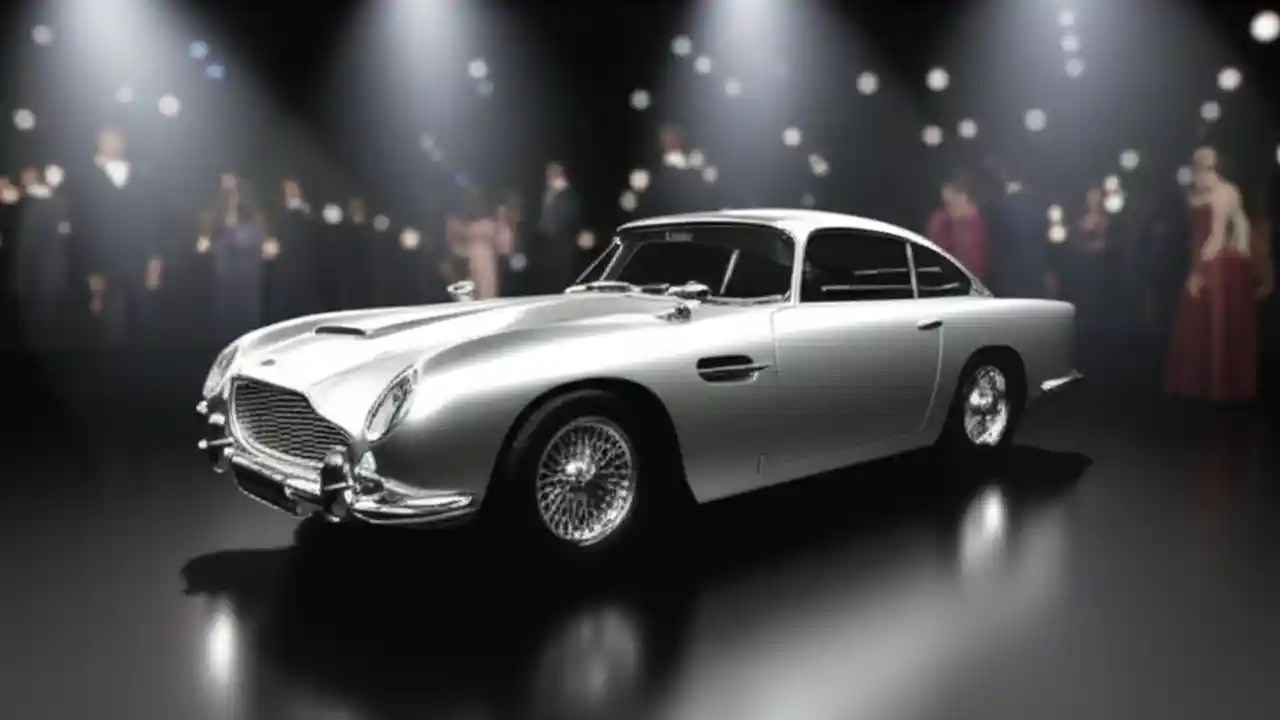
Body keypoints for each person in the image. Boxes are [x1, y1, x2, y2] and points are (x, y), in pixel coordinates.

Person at [1164, 147, 1256, 402]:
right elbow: (1234, 226)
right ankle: (1205, 384)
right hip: (1208, 260)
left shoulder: (1224, 192)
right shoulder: (1199, 193)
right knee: (1205, 321)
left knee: (1215, 321)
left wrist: (1202, 270)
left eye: (1202, 166)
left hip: (1215, 266)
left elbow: (1222, 232)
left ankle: (1217, 386)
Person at [68, 126, 162, 348]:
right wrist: (90, 268)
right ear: (98, 142)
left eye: (117, 139)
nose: (113, 143)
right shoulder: (83, 175)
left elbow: (152, 217)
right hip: (102, 258)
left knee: (143, 319)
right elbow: (81, 224)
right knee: (107, 324)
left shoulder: (142, 172)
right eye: (107, 139)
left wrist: (155, 256)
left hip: (138, 256)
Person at [201, 173, 267, 343]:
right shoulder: (213, 214)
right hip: (225, 271)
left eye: (233, 187)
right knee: (226, 317)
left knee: (247, 316)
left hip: (247, 271)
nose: (230, 192)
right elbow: (205, 242)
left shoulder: (253, 214)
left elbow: (262, 239)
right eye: (225, 188)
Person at [9, 166, 69, 350]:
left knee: (46, 321)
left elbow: (64, 230)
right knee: (27, 321)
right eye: (24, 176)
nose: (27, 179)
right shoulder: (19, 203)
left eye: (31, 175)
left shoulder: (57, 201)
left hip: (48, 271)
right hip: (24, 271)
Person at [264, 178, 317, 322]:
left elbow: (314, 236)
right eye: (289, 189)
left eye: (296, 188)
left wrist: (304, 212)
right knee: (282, 309)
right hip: (284, 268)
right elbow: (273, 234)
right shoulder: (276, 212)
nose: (293, 192)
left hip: (305, 269)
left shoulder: (308, 212)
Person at [926, 177, 989, 282]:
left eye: (953, 193)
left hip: (978, 277)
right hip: (950, 276)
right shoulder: (940, 219)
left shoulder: (980, 216)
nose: (947, 198)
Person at [534, 162, 582, 292]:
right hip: (548, 245)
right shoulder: (547, 194)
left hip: (562, 246)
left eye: (553, 173)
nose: (549, 177)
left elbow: (568, 219)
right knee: (549, 280)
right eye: (548, 174)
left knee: (561, 279)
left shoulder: (567, 195)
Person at [1070, 185, 1110, 333]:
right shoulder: (1081, 222)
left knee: (1099, 301)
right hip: (1085, 266)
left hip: (1101, 266)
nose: (1094, 199)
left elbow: (1108, 244)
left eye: (1097, 195)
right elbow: (1076, 244)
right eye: (1091, 195)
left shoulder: (1107, 220)